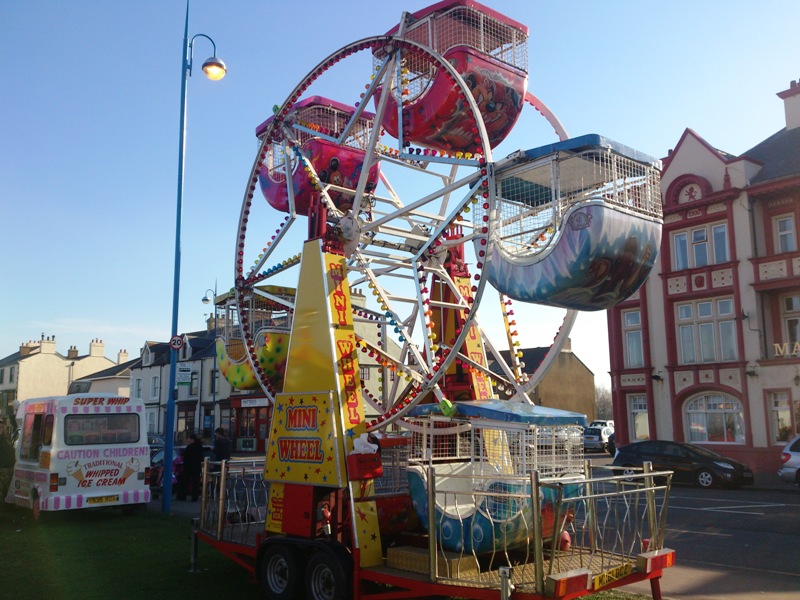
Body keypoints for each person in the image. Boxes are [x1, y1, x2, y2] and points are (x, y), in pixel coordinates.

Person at [178, 433, 204, 501]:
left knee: (185, 482)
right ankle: (195, 497)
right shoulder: (200, 447)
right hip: (197, 467)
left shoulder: (189, 447)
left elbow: (184, 455)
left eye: (189, 439)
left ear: (192, 439)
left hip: (188, 467)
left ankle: (183, 496)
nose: (188, 440)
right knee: (195, 483)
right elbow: (201, 457)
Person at [0, 420, 16, 505]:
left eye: (2, 427)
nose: (1, 429)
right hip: (2, 470)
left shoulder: (6, 438)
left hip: (9, 469)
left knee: (5, 492)